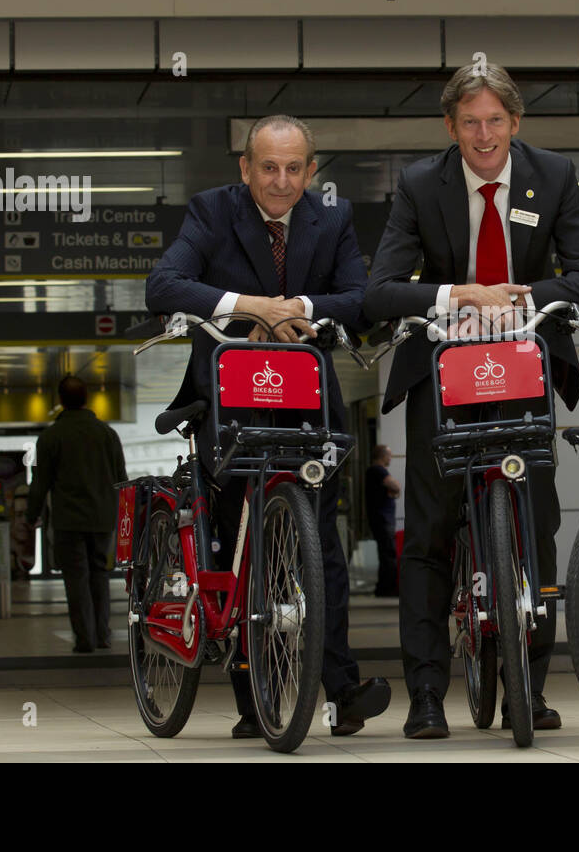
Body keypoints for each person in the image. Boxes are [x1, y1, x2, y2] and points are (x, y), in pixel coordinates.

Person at [364, 62, 579, 739]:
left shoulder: (553, 175)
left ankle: (526, 684)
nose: (483, 134)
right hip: (443, 365)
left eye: (495, 120)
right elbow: (380, 290)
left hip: (524, 359)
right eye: (469, 122)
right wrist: (462, 294)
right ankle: (427, 693)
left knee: (535, 520)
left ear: (515, 122)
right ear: (450, 127)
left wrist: (524, 297)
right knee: (432, 530)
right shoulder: (419, 183)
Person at [146, 114, 390, 738]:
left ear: (312, 171)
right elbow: (164, 285)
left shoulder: (330, 220)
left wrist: (298, 311)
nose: (280, 181)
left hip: (308, 404)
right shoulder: (210, 212)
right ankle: (253, 698)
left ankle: (338, 686)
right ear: (245, 168)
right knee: (235, 540)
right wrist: (250, 308)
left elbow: (359, 300)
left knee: (320, 546)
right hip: (228, 403)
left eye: (293, 168)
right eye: (267, 167)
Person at [21, 376, 128, 653]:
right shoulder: (107, 434)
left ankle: (85, 639)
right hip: (102, 519)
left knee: (76, 578)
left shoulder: (51, 437)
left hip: (69, 520)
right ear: (87, 398)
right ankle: (103, 635)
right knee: (99, 575)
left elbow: (41, 483)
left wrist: (31, 517)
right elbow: (122, 479)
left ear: (60, 401)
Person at [365, 444, 401, 597]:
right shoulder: (378, 470)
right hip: (382, 518)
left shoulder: (373, 472)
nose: (390, 458)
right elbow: (396, 487)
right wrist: (394, 489)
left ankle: (383, 587)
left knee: (385, 552)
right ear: (382, 455)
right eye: (389, 455)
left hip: (380, 517)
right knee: (388, 553)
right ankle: (387, 588)